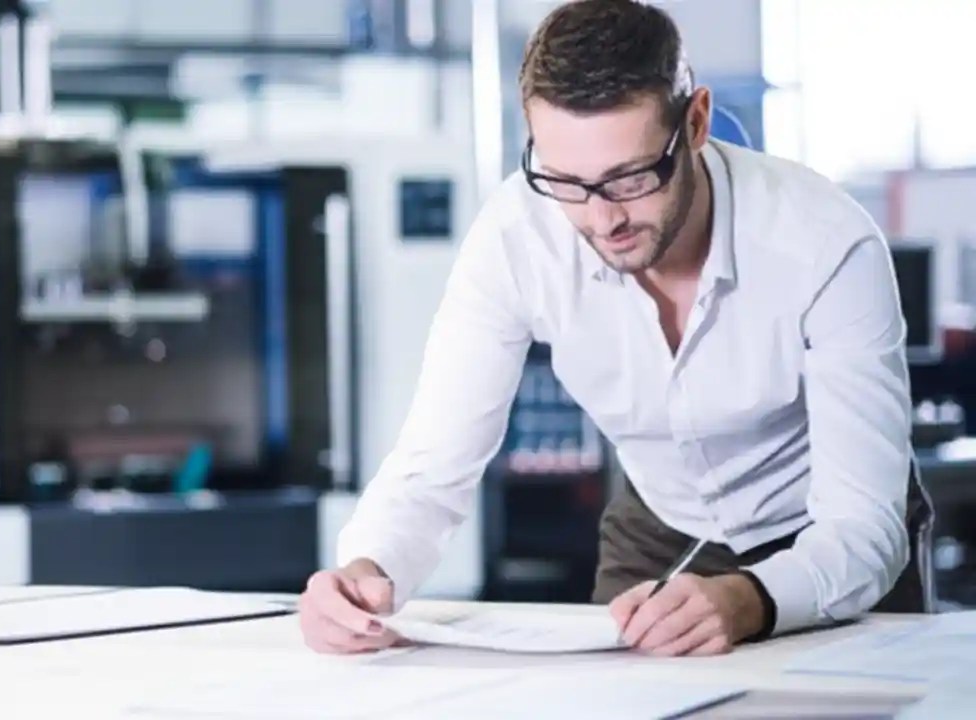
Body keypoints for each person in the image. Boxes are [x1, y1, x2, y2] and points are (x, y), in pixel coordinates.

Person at [298, 0, 931, 658]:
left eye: (630, 178)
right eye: (567, 181)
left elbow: (863, 527)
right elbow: (433, 466)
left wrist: (751, 598)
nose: (603, 219)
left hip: (825, 538)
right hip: (662, 526)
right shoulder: (518, 235)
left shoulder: (826, 242)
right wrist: (366, 573)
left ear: (696, 122)